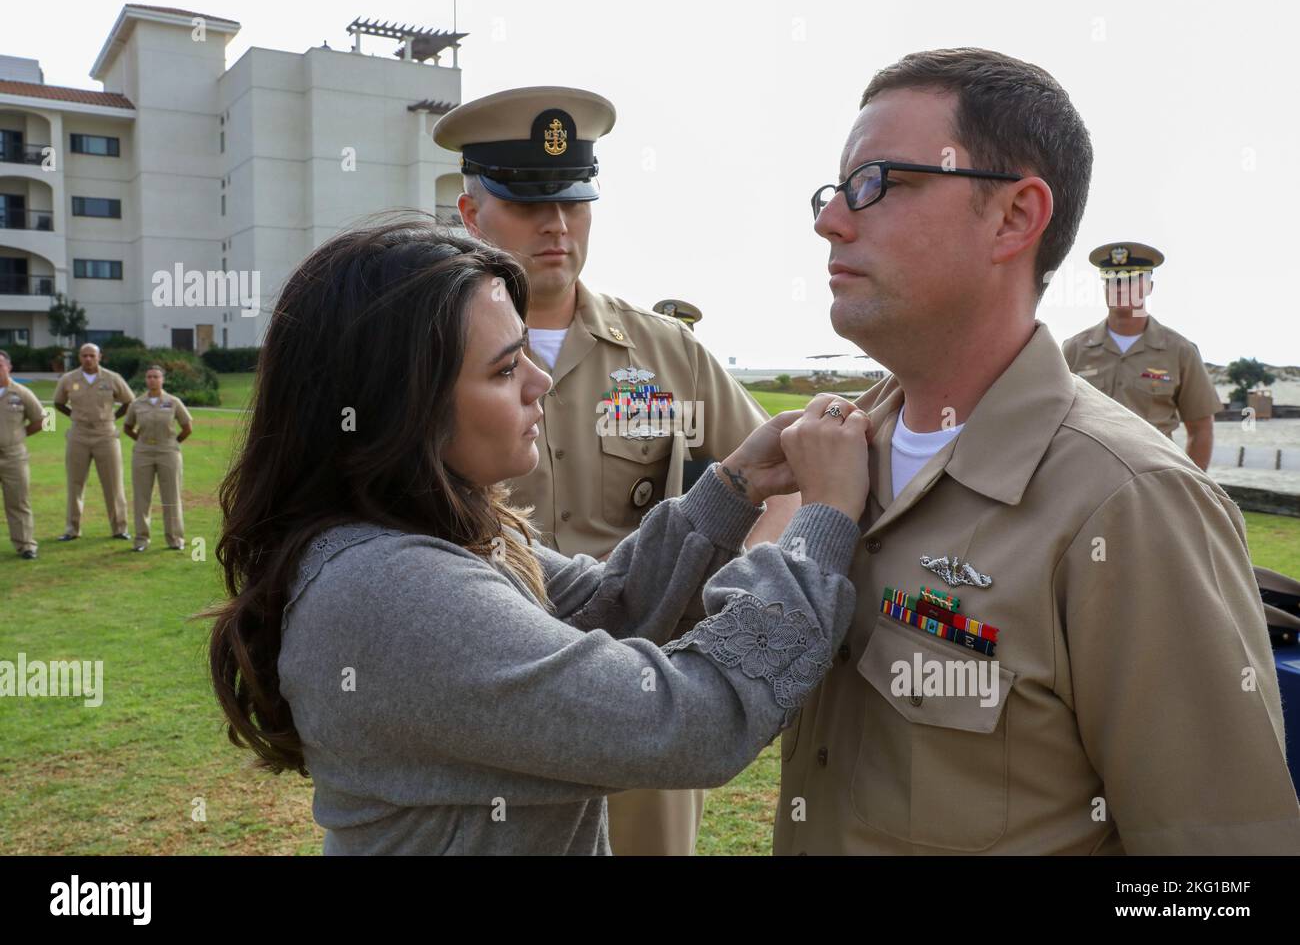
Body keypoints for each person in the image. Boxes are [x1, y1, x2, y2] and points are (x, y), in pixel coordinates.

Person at [207, 220, 870, 855]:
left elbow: (603, 608)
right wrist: (822, 525)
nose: (540, 381)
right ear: (403, 409)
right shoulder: (392, 591)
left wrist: (735, 485)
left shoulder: (436, 532)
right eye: (502, 370)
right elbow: (688, 722)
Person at [779, 47, 1299, 854]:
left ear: (1015, 218)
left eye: (880, 182)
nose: (831, 219)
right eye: (836, 190)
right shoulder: (837, 454)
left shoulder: (1131, 503)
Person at [434, 86, 801, 855]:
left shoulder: (667, 352)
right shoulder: (428, 356)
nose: (557, 225)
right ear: (472, 215)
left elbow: (782, 473)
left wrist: (742, 596)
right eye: (528, 201)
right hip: (494, 680)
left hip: (644, 685)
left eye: (574, 201)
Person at [1061, 242, 1220, 469]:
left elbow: (1201, 429)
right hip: (1086, 478)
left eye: (1130, 280)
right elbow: (1052, 419)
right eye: (1113, 280)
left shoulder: (1180, 351)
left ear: (1149, 287)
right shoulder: (1074, 349)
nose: (1121, 288)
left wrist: (1187, 490)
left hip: (1152, 482)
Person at [52, 343, 133, 541]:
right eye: (84, 355)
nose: (88, 359)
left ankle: (119, 528)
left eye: (92, 355)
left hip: (105, 434)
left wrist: (112, 416)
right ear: (79, 357)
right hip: (78, 435)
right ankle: (72, 529)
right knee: (75, 483)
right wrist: (75, 416)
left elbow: (129, 401)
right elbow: (58, 402)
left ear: (99, 357)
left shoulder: (112, 378)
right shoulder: (69, 379)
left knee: (113, 483)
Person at [123, 364, 193, 552]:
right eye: (149, 377)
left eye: (156, 376)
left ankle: (175, 539)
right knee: (141, 498)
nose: (152, 380)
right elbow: (127, 427)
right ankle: (141, 540)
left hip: (168, 452)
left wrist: (173, 443)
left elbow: (187, 427)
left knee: (171, 497)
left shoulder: (173, 402)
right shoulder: (137, 403)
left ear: (163, 380)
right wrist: (141, 441)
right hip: (143, 453)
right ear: (145, 380)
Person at [0, 348, 44, 560]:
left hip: (13, 456)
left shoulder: (21, 393)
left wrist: (19, 435)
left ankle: (26, 545)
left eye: (0, 365)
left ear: (9, 368)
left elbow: (41, 420)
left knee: (18, 501)